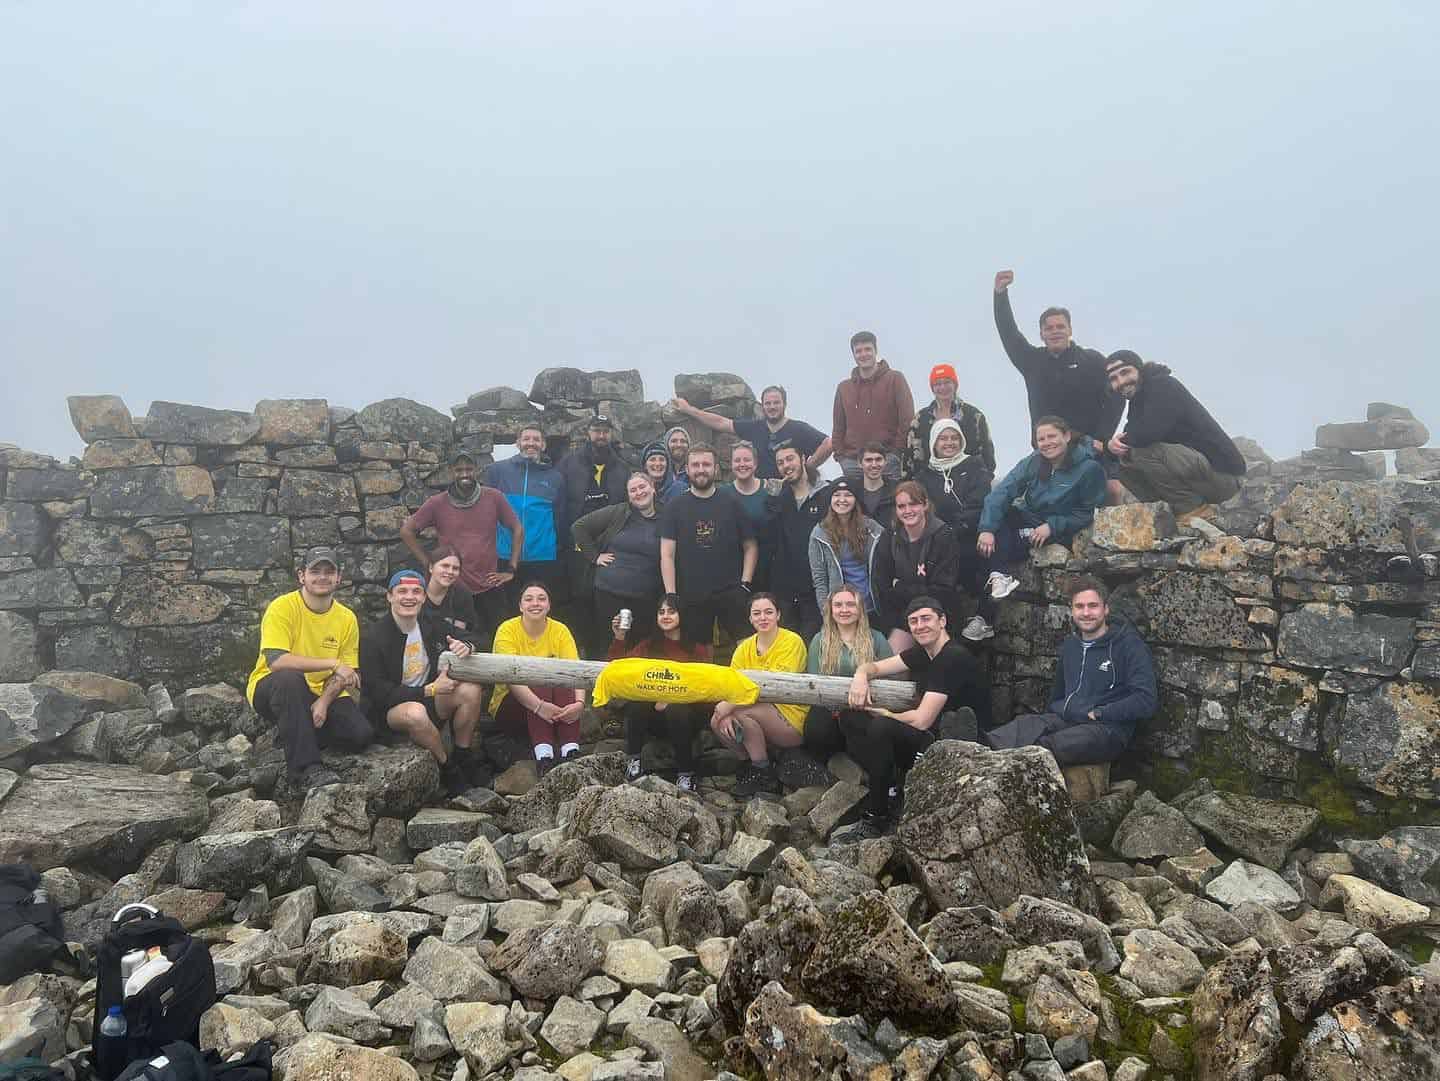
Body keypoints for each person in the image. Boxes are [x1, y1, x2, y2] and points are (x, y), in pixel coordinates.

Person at [845, 595, 992, 837]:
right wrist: (861, 676)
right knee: (853, 718)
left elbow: (922, 720)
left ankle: (876, 816)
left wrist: (886, 714)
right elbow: (876, 667)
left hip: (960, 742)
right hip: (929, 735)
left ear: (942, 621)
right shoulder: (924, 654)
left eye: (926, 619)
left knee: (881, 727)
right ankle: (892, 787)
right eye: (913, 621)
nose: (920, 625)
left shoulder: (952, 657)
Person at [985, 576, 1155, 766]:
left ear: (1105, 609)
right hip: (1068, 718)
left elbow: (1145, 700)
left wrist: (1100, 713)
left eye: (1093, 606)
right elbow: (1058, 692)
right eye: (1079, 606)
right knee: (1023, 726)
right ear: (1072, 610)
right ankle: (976, 748)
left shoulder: (1128, 644)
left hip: (1107, 728)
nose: (1086, 612)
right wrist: (1053, 715)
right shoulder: (1071, 645)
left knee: (1053, 745)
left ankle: (1018, 762)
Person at [246, 547, 371, 791]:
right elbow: (277, 661)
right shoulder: (282, 607)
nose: (322, 577)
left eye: (329, 571)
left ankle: (294, 729)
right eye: (315, 571)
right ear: (302, 576)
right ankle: (305, 770)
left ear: (339, 578)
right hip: (274, 687)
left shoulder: (346, 618)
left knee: (361, 735)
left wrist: (324, 702)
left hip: (321, 690)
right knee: (289, 678)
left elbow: (345, 673)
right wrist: (331, 663)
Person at [974, 416, 1107, 637]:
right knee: (995, 525)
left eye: (1052, 436)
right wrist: (986, 529)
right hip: (1031, 518)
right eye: (1041, 439)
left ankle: (984, 617)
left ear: (1066, 436)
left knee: (999, 546)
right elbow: (1002, 492)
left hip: (1059, 529)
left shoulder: (1088, 469)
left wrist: (1051, 526)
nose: (1046, 443)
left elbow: (1087, 512)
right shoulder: (1035, 460)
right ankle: (999, 578)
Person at [360, 569, 487, 794]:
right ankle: (447, 765)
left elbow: (478, 637)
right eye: (402, 591)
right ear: (389, 596)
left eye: (416, 591)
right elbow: (379, 693)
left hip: (429, 697)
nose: (409, 597)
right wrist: (429, 690)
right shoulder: (373, 637)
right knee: (415, 713)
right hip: (390, 711)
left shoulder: (430, 623)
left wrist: (467, 646)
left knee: (471, 690)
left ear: (423, 598)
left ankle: (463, 754)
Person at [1103, 351, 1247, 519]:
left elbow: (1147, 434)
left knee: (1141, 451)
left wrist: (1116, 444)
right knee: (1121, 461)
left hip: (1223, 478)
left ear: (1139, 370)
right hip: (1197, 476)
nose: (1120, 382)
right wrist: (1110, 447)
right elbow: (1132, 437)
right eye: (1113, 379)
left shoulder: (1163, 385)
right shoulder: (1138, 400)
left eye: (1125, 372)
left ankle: (1194, 511)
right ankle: (1167, 511)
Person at [400, 450, 522, 647]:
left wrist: (511, 569)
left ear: (476, 470)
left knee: (497, 640)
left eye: (468, 469)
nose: (464, 474)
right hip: (453, 587)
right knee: (454, 641)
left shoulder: (493, 497)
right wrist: (429, 563)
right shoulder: (437, 503)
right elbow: (407, 531)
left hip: (489, 585)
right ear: (451, 472)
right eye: (459, 470)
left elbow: (517, 528)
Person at [993, 270, 1121, 449]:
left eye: (1061, 326)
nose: (1055, 331)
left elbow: (1119, 391)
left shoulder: (1091, 360)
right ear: (1041, 334)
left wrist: (1103, 437)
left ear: (1070, 330)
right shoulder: (1032, 361)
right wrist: (1000, 294)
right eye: (1049, 328)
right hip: (1046, 451)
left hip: (1087, 449)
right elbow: (1008, 332)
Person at [610, 595, 712, 794]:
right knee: (637, 702)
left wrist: (671, 698)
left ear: (682, 615)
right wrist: (619, 636)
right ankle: (634, 762)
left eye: (671, 611)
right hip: (652, 717)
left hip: (686, 717)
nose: (665, 616)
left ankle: (686, 773)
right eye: (661, 612)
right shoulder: (648, 645)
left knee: (677, 710)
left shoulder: (696, 649)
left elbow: (705, 689)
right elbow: (618, 669)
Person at [709, 592, 808, 797]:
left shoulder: (792, 642)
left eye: (768, 612)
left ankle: (764, 774)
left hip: (788, 717)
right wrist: (726, 711)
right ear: (750, 618)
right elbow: (732, 685)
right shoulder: (744, 648)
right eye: (757, 613)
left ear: (778, 615)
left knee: (742, 714)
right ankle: (749, 764)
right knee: (716, 720)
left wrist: (731, 706)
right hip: (751, 711)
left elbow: (776, 686)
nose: (763, 617)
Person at [660, 443, 759, 646]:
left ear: (715, 468)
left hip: (732, 591)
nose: (701, 469)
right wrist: (671, 593)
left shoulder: (732, 502)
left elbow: (751, 546)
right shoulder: (675, 507)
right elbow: (667, 554)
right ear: (687, 469)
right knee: (699, 654)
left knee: (746, 646)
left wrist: (745, 584)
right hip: (691, 593)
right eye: (695, 465)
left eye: (706, 464)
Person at [489, 581, 586, 775]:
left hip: (555, 705)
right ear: (520, 606)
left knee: (560, 678)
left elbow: (575, 671)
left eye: (542, 599)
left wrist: (579, 704)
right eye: (529, 599)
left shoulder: (560, 630)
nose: (536, 603)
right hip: (512, 706)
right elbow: (511, 677)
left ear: (549, 605)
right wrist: (539, 707)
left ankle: (570, 751)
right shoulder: (507, 630)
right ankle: (544, 757)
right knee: (538, 678)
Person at [914, 420, 995, 642]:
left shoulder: (975, 465)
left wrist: (953, 530)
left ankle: (981, 622)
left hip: (968, 537)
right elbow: (921, 510)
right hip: (937, 540)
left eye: (954, 438)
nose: (949, 443)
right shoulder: (924, 476)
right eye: (943, 438)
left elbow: (979, 502)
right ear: (934, 443)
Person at [572, 472, 664, 657]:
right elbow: (579, 527)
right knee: (608, 645)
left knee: (640, 648)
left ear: (652, 488)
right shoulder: (619, 512)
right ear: (628, 496)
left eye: (642, 487)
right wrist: (594, 556)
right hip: (609, 593)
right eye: (633, 490)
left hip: (646, 597)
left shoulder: (667, 517)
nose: (639, 492)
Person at [801, 584, 893, 763]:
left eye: (851, 604)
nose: (844, 610)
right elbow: (813, 683)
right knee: (815, 728)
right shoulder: (819, 640)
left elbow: (889, 678)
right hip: (829, 709)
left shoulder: (877, 638)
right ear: (830, 610)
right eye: (838, 605)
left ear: (860, 609)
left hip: (865, 709)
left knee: (860, 725)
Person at [873, 481, 963, 652]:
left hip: (938, 615)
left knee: (942, 663)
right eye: (901, 506)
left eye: (913, 504)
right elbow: (882, 585)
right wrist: (916, 589)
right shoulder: (889, 537)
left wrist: (900, 586)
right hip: (903, 616)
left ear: (925, 505)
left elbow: (943, 589)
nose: (907, 511)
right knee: (893, 665)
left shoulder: (944, 536)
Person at [671, 385, 832, 479]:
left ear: (785, 404)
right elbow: (721, 422)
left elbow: (829, 443)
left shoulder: (799, 429)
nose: (772, 406)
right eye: (767, 403)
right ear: (762, 406)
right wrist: (689, 409)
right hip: (762, 492)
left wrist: (808, 467)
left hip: (793, 491)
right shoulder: (755, 427)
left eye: (776, 402)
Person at [486, 425, 569, 605]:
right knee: (506, 609)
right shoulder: (497, 471)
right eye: (526, 439)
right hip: (504, 555)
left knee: (538, 609)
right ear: (517, 443)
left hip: (542, 557)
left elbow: (560, 518)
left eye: (536, 439)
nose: (531, 443)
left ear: (544, 445)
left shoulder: (556, 477)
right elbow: (487, 513)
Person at [832, 330, 915, 481]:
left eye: (868, 349)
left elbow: (907, 419)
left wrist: (896, 453)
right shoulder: (844, 388)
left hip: (887, 459)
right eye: (858, 351)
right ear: (853, 355)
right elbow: (838, 426)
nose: (863, 354)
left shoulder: (895, 379)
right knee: (855, 505)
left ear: (876, 351)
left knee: (890, 503)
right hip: (853, 463)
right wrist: (841, 457)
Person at [767, 445, 830, 641]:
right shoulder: (778, 498)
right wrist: (772, 499)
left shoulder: (825, 494)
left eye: (790, 459)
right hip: (784, 592)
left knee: (813, 648)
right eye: (780, 462)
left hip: (816, 590)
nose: (786, 465)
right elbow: (769, 539)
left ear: (803, 458)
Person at [808, 479, 886, 626]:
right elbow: (819, 579)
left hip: (870, 607)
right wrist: (826, 612)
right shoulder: (819, 534)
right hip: (840, 610)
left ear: (856, 499)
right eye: (837, 495)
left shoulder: (872, 528)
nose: (842, 500)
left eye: (848, 495)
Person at [904, 363, 997, 477]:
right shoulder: (920, 418)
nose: (942, 387)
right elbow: (909, 455)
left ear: (955, 385)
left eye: (947, 382)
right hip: (927, 484)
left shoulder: (974, 416)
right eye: (937, 384)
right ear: (932, 388)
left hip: (968, 483)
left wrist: (983, 480)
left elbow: (988, 456)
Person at [558, 413, 631, 534]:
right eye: (597, 431)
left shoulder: (623, 469)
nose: (601, 435)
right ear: (588, 432)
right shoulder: (568, 464)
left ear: (611, 434)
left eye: (606, 431)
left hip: (610, 540)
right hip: (574, 538)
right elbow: (558, 503)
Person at [729, 441, 775, 590]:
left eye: (747, 460)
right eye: (737, 460)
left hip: (768, 569)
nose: (742, 464)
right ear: (731, 464)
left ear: (755, 464)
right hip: (734, 570)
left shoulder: (770, 490)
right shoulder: (723, 494)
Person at [421, 546, 483, 648]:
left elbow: (459, 634)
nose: (450, 572)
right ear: (431, 567)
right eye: (445, 566)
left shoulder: (462, 595)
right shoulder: (417, 592)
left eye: (455, 568)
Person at [857, 442, 896, 525]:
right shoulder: (852, 491)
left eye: (878, 459)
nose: (874, 465)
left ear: (885, 462)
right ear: (860, 464)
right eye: (868, 460)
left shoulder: (897, 490)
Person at [662, 426, 692, 494]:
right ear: (666, 444)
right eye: (674, 441)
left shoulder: (694, 470)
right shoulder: (661, 470)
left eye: (683, 441)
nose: (679, 445)